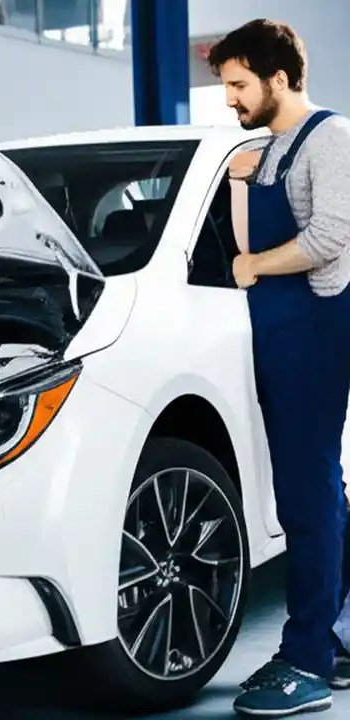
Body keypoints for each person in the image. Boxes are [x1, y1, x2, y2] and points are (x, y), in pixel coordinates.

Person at [211, 19, 350, 717]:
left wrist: (256, 266)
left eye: (239, 84)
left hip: (318, 325)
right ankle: (338, 640)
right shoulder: (264, 151)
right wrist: (241, 185)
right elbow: (243, 253)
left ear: (279, 77)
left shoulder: (332, 138)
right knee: (318, 489)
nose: (230, 98)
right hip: (276, 329)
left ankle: (307, 663)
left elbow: (329, 238)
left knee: (305, 491)